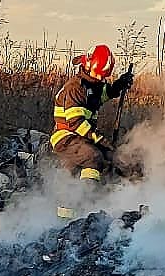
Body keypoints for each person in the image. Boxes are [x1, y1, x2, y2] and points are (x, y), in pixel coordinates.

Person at [48, 44, 134, 220]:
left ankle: (115, 203)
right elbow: (76, 123)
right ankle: (85, 203)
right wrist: (100, 140)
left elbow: (103, 95)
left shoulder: (92, 85)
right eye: (98, 74)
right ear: (89, 66)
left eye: (103, 76)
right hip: (66, 138)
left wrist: (119, 85)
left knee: (114, 160)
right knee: (93, 157)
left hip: (82, 139)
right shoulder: (75, 88)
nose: (100, 78)